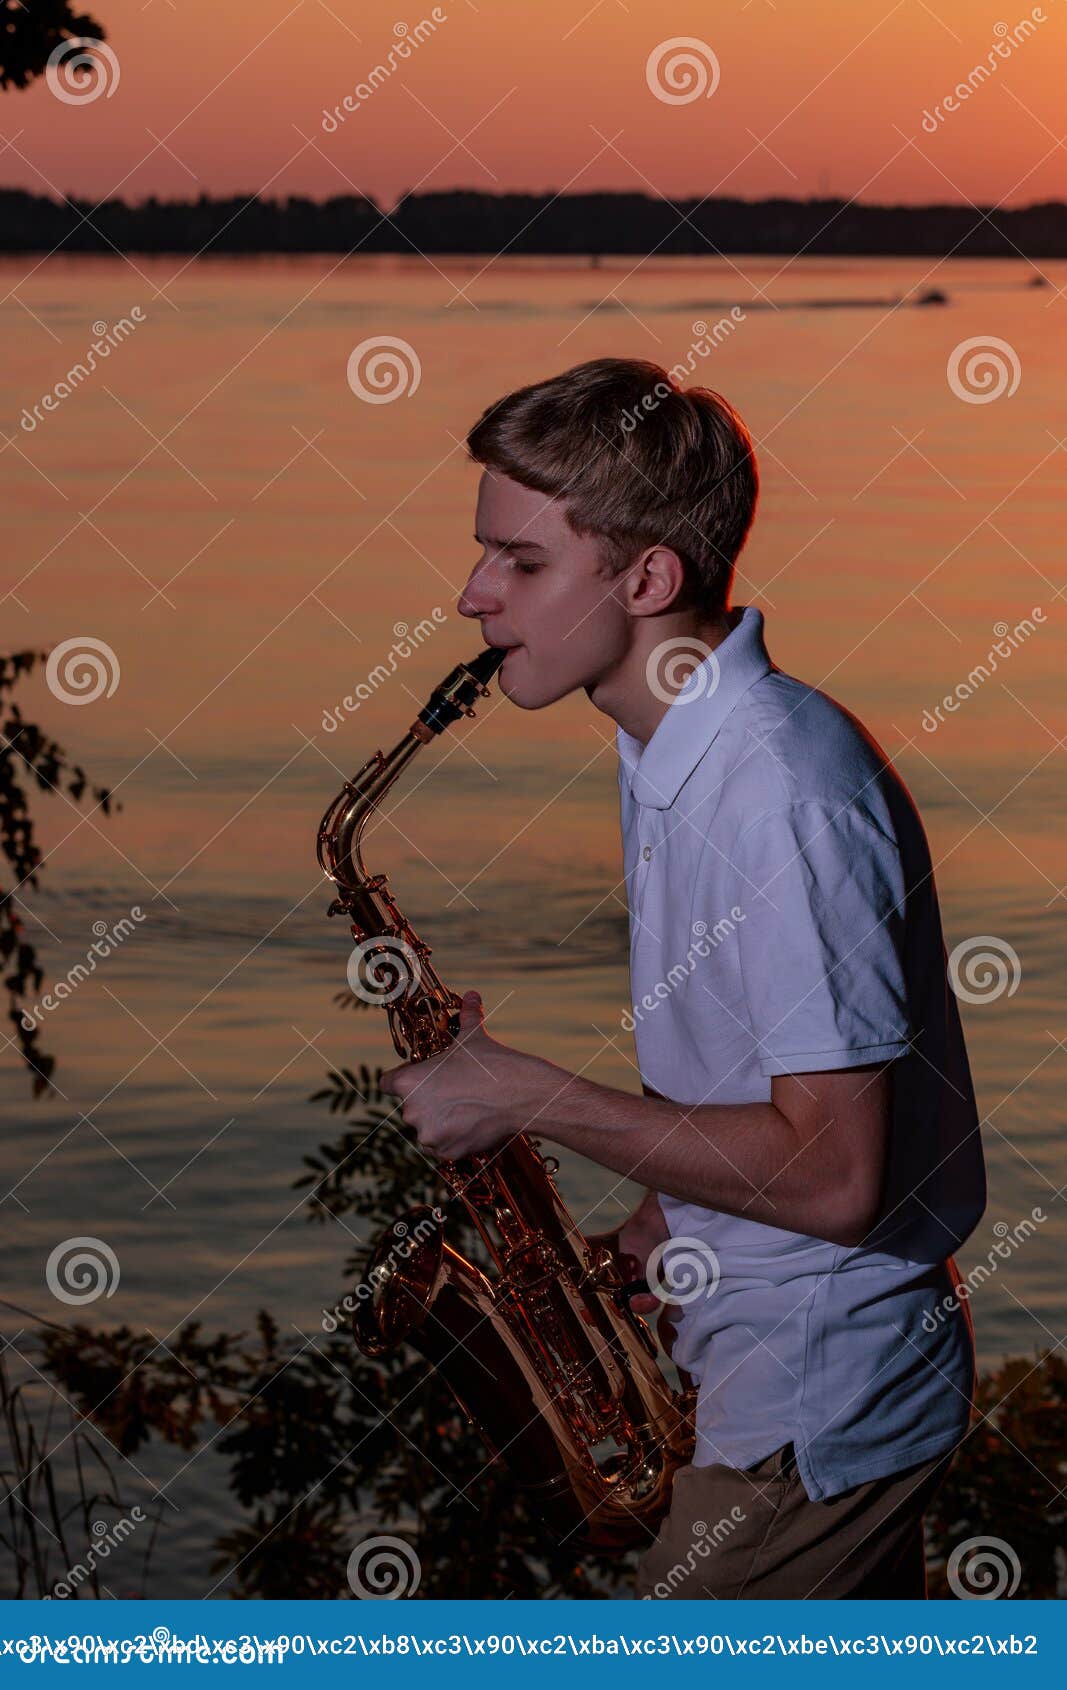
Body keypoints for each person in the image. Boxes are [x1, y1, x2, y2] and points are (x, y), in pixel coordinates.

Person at [379, 357, 986, 1599]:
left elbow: (831, 1177)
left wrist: (527, 1095)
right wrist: (644, 1240)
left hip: (808, 1416)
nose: (471, 595)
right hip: (768, 1385)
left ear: (647, 578)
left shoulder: (779, 791)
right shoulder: (661, 736)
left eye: (522, 562)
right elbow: (760, 1074)